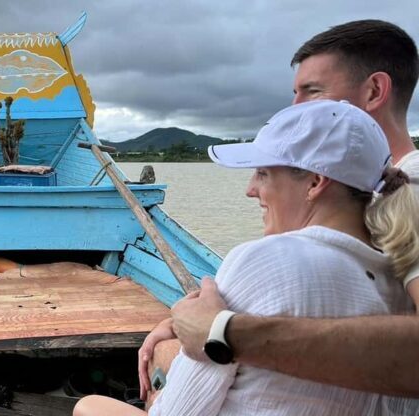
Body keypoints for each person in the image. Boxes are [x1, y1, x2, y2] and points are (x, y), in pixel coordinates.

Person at [76, 99, 419, 415]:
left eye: (263, 173)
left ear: (315, 182)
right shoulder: (397, 279)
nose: (250, 189)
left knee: (89, 406)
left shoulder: (264, 259)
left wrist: (160, 392)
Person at [143, 19, 419, 398]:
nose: (293, 108)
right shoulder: (376, 197)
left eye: (312, 92)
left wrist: (222, 332)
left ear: (374, 91)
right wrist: (183, 324)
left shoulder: (413, 192)